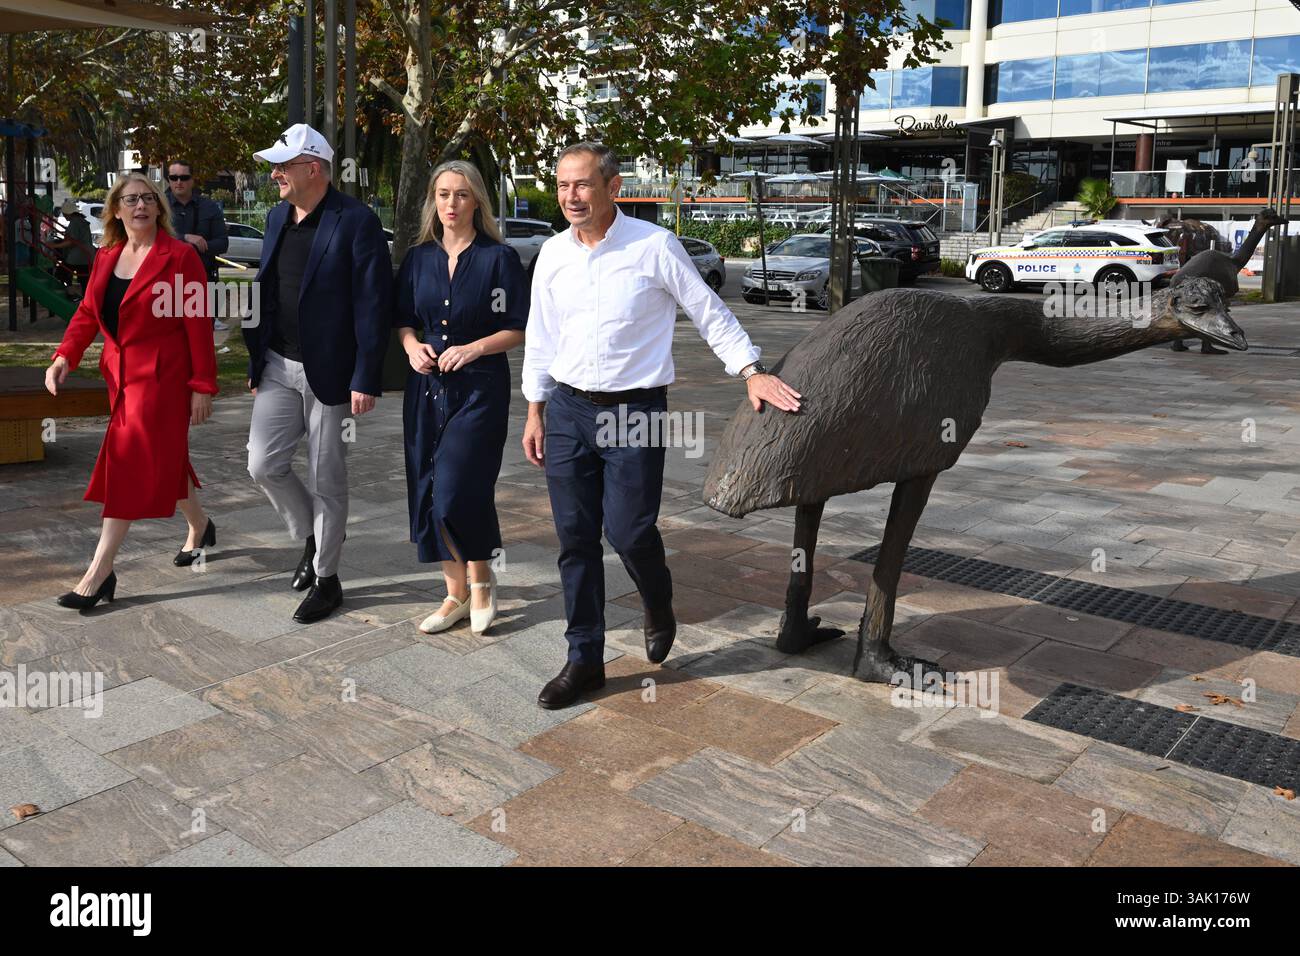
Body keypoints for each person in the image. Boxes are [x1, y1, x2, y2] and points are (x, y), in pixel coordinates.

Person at [522, 142, 802, 709]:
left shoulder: (654, 246)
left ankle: (657, 596)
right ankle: (584, 659)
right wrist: (534, 408)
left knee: (627, 531)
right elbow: (540, 336)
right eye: (561, 186)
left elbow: (708, 310)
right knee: (575, 540)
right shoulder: (552, 254)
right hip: (568, 411)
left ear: (613, 187)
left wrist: (750, 370)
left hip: (635, 411)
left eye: (581, 185)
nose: (569, 197)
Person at [44, 172, 219, 610]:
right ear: (116, 211)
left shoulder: (180, 257)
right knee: (163, 456)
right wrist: (65, 356)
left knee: (125, 459)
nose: (140, 206)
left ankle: (99, 572)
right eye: (130, 200)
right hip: (120, 377)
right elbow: (87, 313)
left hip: (163, 379)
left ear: (158, 208)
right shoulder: (107, 256)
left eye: (147, 199)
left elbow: (197, 325)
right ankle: (199, 525)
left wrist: (202, 385)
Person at [244, 124, 392, 624]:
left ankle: (327, 579)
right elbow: (266, 291)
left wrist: (366, 375)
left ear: (312, 168)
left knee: (327, 476)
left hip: (331, 371)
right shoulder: (274, 218)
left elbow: (374, 305)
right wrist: (253, 358)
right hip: (277, 365)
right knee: (262, 465)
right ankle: (314, 535)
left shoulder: (356, 221)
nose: (275, 173)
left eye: (282, 165)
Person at [394, 161, 527, 635]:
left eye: (462, 195)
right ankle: (454, 594)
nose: (452, 204)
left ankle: (483, 580)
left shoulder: (500, 259)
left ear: (477, 202)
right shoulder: (417, 258)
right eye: (444, 194)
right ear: (434, 199)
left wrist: (472, 348)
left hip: (480, 390)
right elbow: (404, 318)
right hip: (426, 390)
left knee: (456, 490)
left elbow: (516, 327)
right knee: (427, 488)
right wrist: (411, 347)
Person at [165, 160, 230, 330]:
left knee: (201, 335)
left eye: (184, 177)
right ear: (168, 180)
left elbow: (223, 243)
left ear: (192, 180)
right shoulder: (157, 207)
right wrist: (185, 238)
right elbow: (152, 240)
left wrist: (200, 245)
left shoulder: (209, 207)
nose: (179, 182)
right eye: (174, 177)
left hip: (202, 280)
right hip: (165, 282)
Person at [50, 198, 94, 294]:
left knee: (61, 274)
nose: (64, 216)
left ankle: (70, 293)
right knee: (84, 281)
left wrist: (55, 245)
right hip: (86, 256)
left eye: (64, 214)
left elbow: (71, 242)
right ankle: (85, 300)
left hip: (77, 256)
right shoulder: (81, 221)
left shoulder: (75, 222)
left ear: (68, 213)